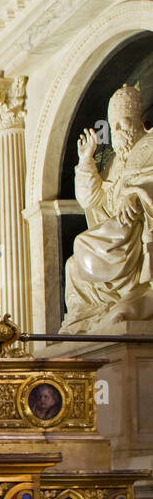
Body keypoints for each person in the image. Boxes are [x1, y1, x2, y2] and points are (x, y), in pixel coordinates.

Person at [62, 84, 153, 332]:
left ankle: (132, 293)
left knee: (82, 243)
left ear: (138, 122)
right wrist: (86, 161)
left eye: (124, 124)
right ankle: (84, 316)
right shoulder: (113, 162)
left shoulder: (149, 147)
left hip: (135, 226)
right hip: (117, 228)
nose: (120, 132)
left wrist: (134, 195)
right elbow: (91, 200)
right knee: (72, 266)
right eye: (114, 128)